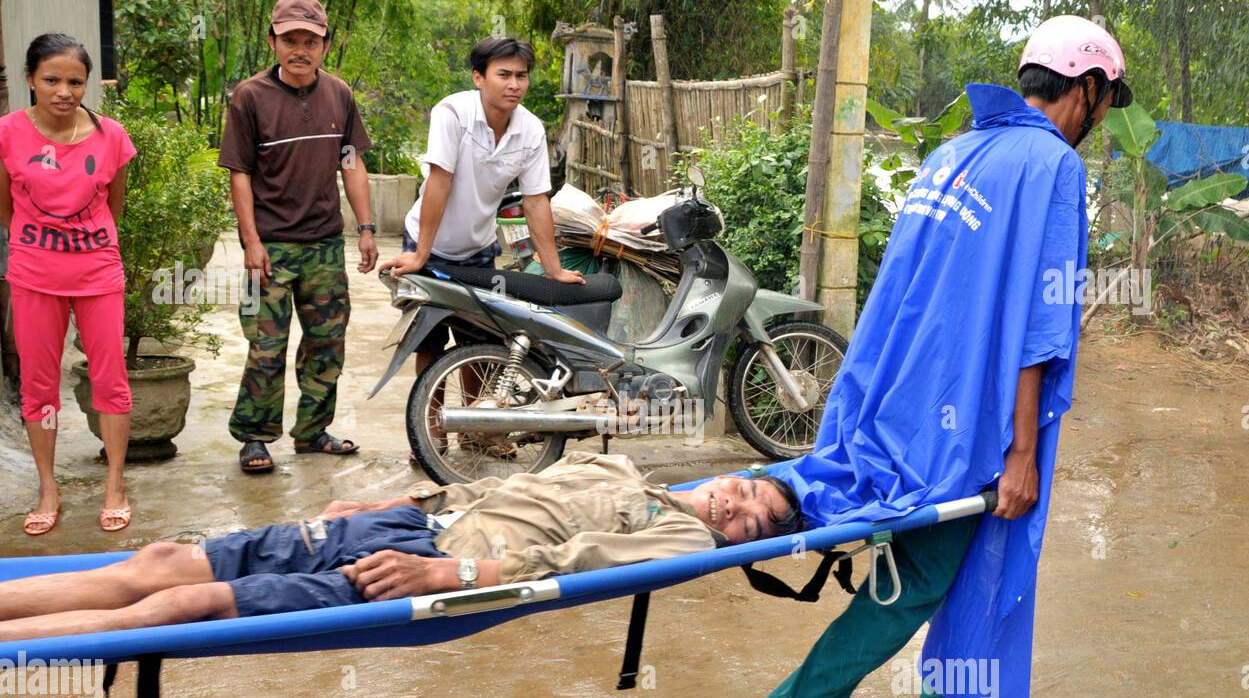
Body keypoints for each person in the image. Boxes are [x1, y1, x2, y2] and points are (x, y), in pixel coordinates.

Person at [721, 15, 1133, 698]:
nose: (1103, 117)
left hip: (899, 408)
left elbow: (903, 290)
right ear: (1084, 89)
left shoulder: (953, 155)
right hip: (966, 428)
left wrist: (859, 411)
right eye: (1106, 99)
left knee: (968, 551)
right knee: (916, 581)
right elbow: (1040, 326)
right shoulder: (1051, 166)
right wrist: (1019, 449)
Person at [0, 452, 801, 641]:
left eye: (755, 525)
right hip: (407, 526)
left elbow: (574, 565)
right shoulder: (626, 464)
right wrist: (403, 498)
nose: (737, 509)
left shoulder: (682, 536)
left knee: (188, 603)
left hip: (425, 572)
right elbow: (501, 485)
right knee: (162, 560)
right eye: (749, 491)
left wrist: (446, 572)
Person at [378, 36, 585, 453]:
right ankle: (431, 430)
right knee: (431, 343)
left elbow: (536, 199)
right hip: (430, 243)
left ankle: (479, 429)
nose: (514, 84)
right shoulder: (452, 113)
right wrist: (420, 253)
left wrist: (553, 268)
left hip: (479, 248)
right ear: (479, 77)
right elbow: (439, 181)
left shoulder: (529, 129)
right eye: (503, 74)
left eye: (521, 76)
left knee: (480, 343)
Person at [218, 0, 377, 474]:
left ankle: (312, 433)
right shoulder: (250, 97)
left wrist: (366, 228)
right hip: (269, 249)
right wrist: (250, 241)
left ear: (325, 44)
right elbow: (239, 172)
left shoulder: (340, 95)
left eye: (310, 40)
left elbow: (351, 163)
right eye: (290, 40)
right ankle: (254, 438)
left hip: (325, 246)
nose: (300, 49)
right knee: (265, 347)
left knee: (327, 344)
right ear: (273, 42)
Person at [0, 33, 138, 536]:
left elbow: (113, 204)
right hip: (34, 274)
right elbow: (6, 205)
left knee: (110, 377)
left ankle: (116, 484)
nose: (64, 90)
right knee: (39, 384)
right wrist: (39, 244)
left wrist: (88, 247)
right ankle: (47, 487)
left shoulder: (111, 136)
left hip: (98, 271)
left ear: (87, 84)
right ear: (31, 80)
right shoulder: (8, 133)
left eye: (75, 81)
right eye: (52, 79)